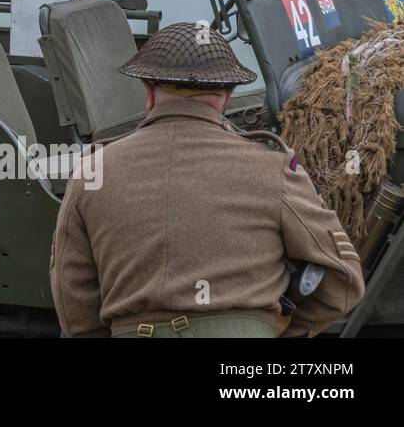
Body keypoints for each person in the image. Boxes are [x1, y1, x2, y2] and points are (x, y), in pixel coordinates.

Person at [50, 21, 364, 338]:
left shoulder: (93, 172)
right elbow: (342, 281)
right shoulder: (273, 170)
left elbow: (73, 297)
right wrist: (287, 331)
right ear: (227, 95)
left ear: (148, 91)